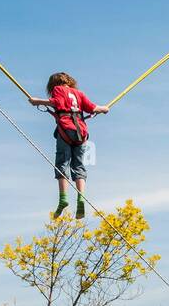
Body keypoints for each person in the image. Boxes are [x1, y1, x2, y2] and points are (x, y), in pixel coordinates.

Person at [28, 71, 109, 220]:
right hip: (81, 133)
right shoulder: (79, 93)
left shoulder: (58, 89)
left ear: (53, 84)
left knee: (62, 163)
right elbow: (91, 108)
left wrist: (37, 101)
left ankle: (63, 199)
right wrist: (103, 108)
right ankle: (81, 197)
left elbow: (56, 102)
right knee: (79, 165)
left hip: (65, 129)